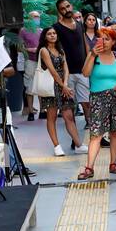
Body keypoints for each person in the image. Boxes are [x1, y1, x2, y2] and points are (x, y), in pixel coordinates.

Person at [77, 27, 116, 179]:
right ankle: (89, 167)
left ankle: (113, 163)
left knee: (115, 132)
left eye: (107, 39)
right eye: (101, 38)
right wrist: (93, 54)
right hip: (98, 98)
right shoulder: (93, 55)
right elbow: (85, 73)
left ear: (113, 42)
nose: (103, 42)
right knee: (96, 134)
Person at [36, 26, 81, 157]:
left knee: (69, 116)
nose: (52, 35)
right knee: (52, 116)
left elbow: (65, 67)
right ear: (45, 36)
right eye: (49, 34)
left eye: (54, 33)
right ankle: (56, 146)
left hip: (63, 86)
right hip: (51, 87)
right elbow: (52, 71)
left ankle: (78, 145)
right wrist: (63, 86)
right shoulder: (44, 50)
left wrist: (65, 84)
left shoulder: (60, 49)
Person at [51, 0, 88, 154]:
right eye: (63, 8)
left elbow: (85, 45)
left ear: (71, 6)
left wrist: (88, 64)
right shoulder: (56, 28)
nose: (66, 9)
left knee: (88, 105)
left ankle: (96, 138)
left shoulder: (79, 25)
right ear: (59, 11)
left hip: (83, 72)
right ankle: (77, 143)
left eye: (68, 6)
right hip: (67, 75)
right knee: (68, 112)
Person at [20, 11, 42, 121]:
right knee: (29, 86)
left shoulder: (42, 31)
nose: (37, 19)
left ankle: (43, 110)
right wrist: (29, 50)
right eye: (34, 17)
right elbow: (19, 46)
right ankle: (30, 111)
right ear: (29, 18)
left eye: (38, 17)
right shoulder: (23, 31)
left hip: (41, 61)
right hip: (30, 61)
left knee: (41, 86)